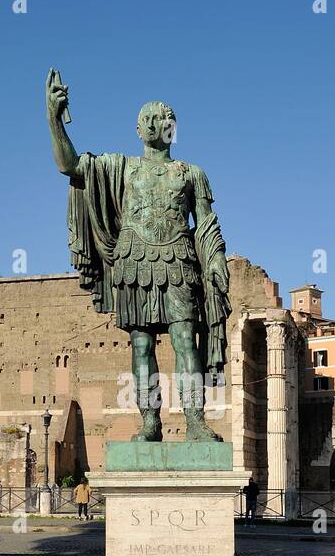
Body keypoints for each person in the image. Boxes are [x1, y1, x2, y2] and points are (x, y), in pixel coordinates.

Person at [47, 68, 230, 442]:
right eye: (146, 119)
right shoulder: (122, 168)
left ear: (171, 129)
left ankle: (195, 420)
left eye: (160, 119)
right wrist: (55, 119)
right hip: (134, 263)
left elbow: (207, 224)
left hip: (179, 263)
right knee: (142, 345)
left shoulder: (192, 173)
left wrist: (214, 261)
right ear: (138, 129)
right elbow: (70, 165)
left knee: (185, 340)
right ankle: (150, 422)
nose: (152, 124)